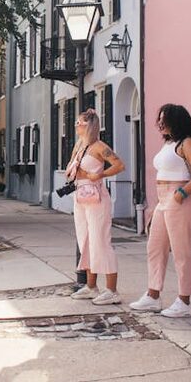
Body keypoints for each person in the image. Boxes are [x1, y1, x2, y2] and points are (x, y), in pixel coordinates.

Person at [129, 104, 191, 318]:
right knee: (155, 247)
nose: (160, 124)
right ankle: (153, 295)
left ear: (177, 121)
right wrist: (157, 204)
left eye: (165, 120)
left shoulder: (187, 143)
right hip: (164, 200)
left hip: (180, 198)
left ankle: (184, 300)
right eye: (159, 119)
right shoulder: (168, 144)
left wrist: (180, 194)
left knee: (181, 251)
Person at [65, 108, 126, 305]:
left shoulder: (100, 147)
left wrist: (100, 175)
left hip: (96, 196)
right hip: (80, 195)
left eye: (79, 123)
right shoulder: (79, 146)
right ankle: (91, 286)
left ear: (88, 126)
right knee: (85, 240)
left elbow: (119, 165)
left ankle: (112, 290)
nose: (76, 126)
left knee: (100, 240)